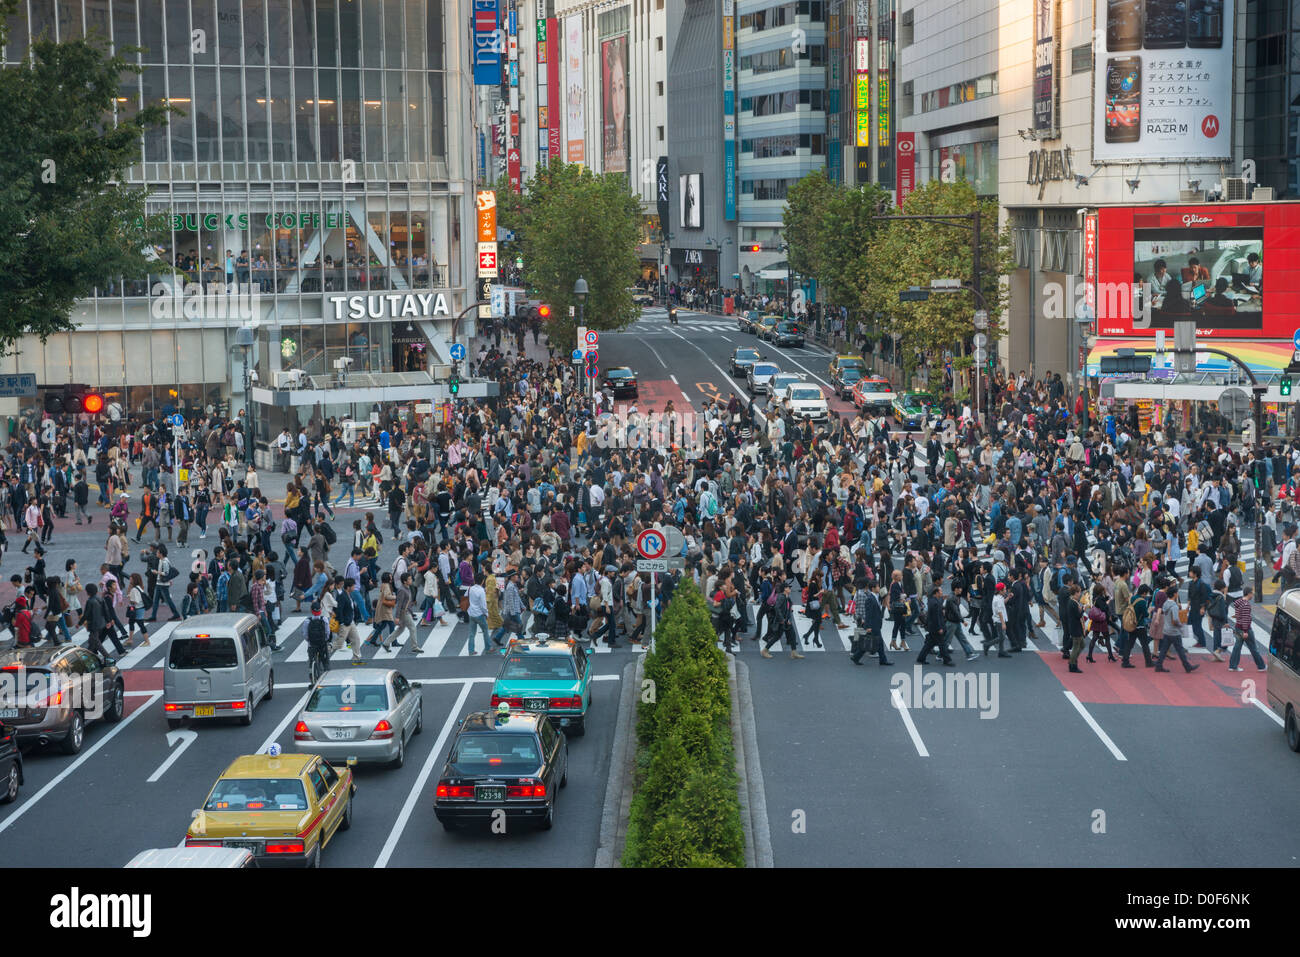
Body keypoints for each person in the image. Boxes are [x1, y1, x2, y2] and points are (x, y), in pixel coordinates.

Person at [1154, 582, 1199, 673]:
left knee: (1163, 649)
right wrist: (1180, 625)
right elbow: (1175, 620)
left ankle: (1159, 665)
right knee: (1180, 650)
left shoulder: (1166, 603)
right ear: (1174, 594)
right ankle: (1187, 666)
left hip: (1166, 630)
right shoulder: (1174, 606)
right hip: (1174, 631)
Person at [1228, 585, 1267, 671]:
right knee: (1253, 648)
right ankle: (1261, 666)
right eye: (1252, 593)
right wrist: (1245, 631)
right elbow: (1245, 619)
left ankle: (1232, 666)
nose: (1252, 595)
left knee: (1237, 647)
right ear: (1249, 594)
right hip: (1245, 629)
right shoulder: (1246, 605)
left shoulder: (1239, 602)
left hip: (1238, 627)